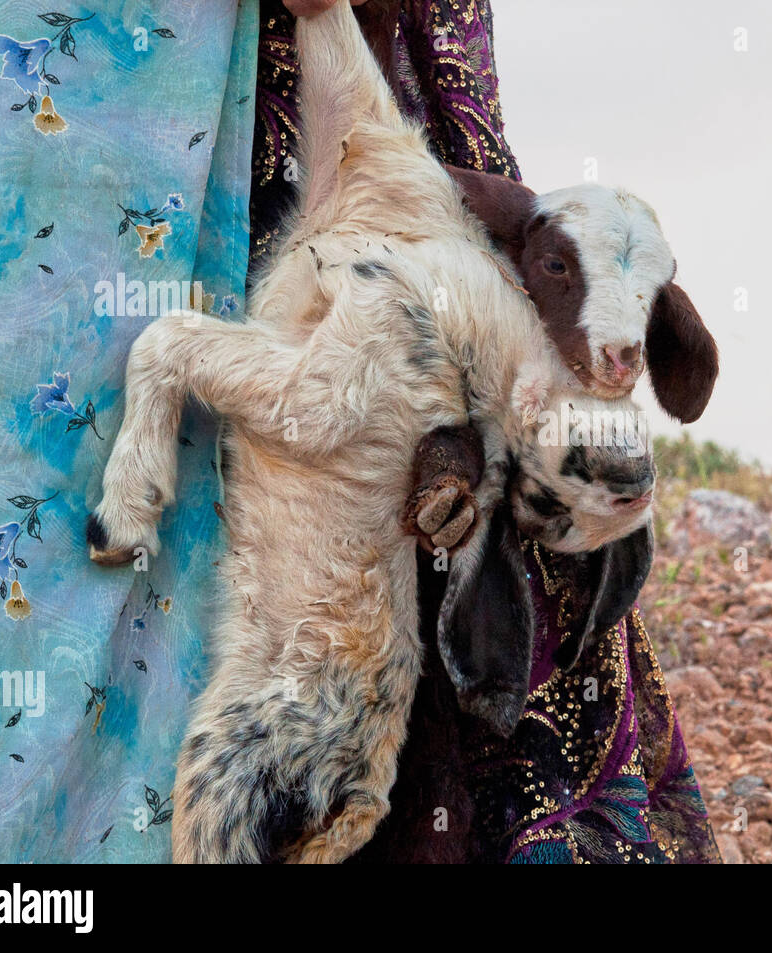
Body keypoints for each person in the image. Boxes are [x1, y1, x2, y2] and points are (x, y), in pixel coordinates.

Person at [259, 0, 720, 863]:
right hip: (268, 140)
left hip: (410, 135)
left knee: (510, 434)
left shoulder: (525, 256)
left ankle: (533, 810)